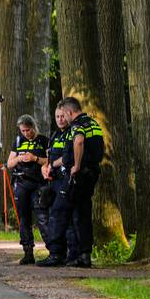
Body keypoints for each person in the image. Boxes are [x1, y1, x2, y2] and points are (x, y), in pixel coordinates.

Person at [40, 97, 104, 268]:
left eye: (64, 115)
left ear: (69, 112)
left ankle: (56, 254)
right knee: (82, 214)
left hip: (79, 175)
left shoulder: (77, 125)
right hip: (92, 173)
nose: (63, 119)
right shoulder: (94, 124)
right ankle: (83, 255)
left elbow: (79, 141)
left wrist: (75, 165)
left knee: (59, 211)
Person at [6, 115, 50, 264]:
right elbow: (9, 164)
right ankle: (28, 252)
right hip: (22, 183)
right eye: (23, 131)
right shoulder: (18, 141)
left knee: (42, 217)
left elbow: (50, 161)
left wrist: (34, 159)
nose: (26, 133)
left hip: (38, 183)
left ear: (34, 127)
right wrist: (19, 158)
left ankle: (54, 251)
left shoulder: (44, 141)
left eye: (28, 130)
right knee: (23, 218)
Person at [37, 107, 78, 264]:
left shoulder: (72, 132)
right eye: (57, 116)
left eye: (62, 116)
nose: (60, 119)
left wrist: (53, 164)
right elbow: (49, 156)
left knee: (62, 217)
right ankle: (57, 253)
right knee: (52, 215)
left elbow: (70, 155)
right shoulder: (55, 135)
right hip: (53, 181)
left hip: (65, 179)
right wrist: (45, 168)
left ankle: (66, 254)